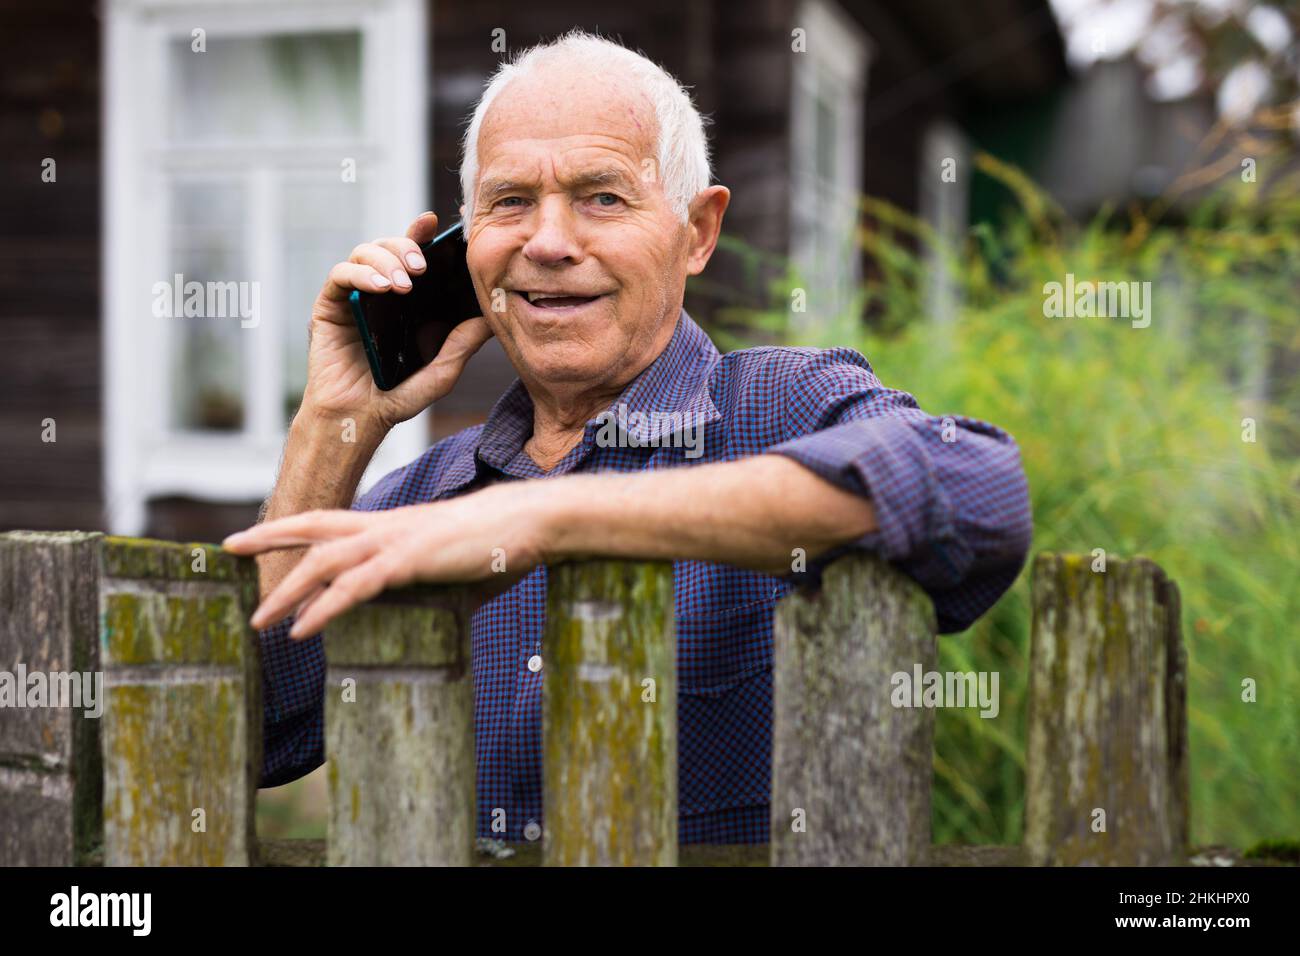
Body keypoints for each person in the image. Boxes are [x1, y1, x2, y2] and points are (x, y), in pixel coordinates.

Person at [223, 30, 1033, 844]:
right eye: (509, 202)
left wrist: (547, 520)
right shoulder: (422, 502)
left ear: (698, 232)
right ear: (466, 247)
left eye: (601, 197)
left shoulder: (779, 407)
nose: (547, 242)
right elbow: (255, 733)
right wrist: (334, 422)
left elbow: (982, 490)